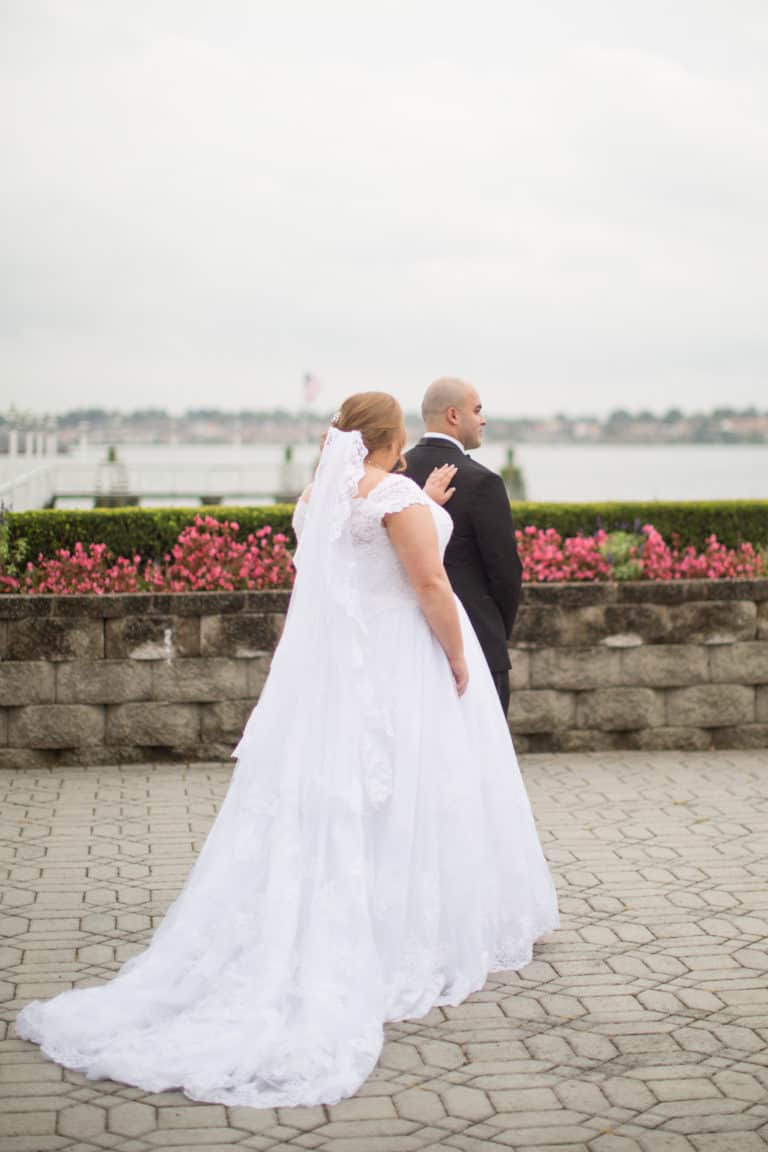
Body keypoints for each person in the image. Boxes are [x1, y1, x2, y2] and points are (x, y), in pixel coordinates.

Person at [16, 392, 558, 1109]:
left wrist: (421, 500)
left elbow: (353, 557)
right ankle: (395, 926)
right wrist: (460, 657)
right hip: (399, 661)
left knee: (342, 791)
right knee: (407, 785)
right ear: (394, 435)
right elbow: (428, 582)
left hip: (340, 671)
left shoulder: (319, 498)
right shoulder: (392, 492)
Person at [404, 377, 523, 715]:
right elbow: (505, 572)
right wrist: (494, 628)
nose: (483, 419)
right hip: (475, 638)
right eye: (478, 410)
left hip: (406, 641)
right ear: (454, 415)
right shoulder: (482, 481)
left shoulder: (392, 474)